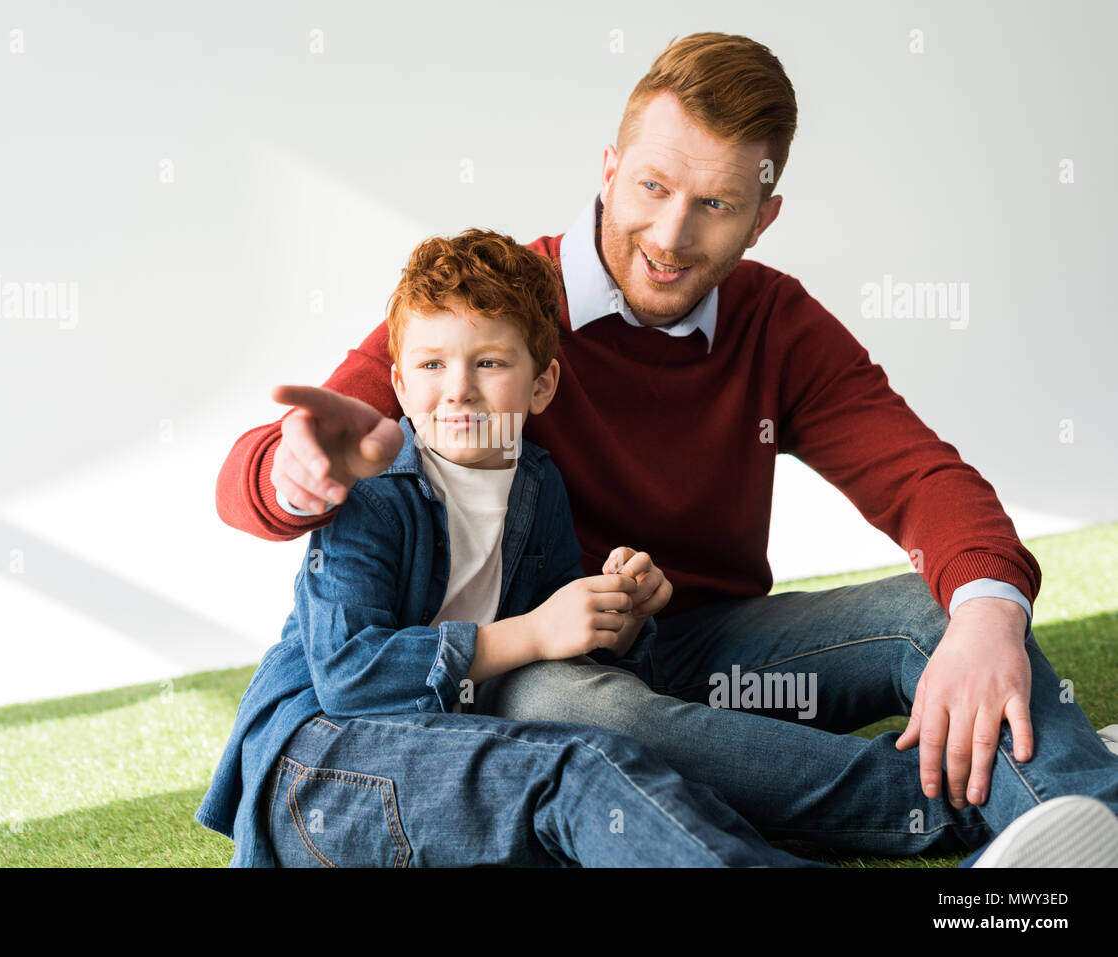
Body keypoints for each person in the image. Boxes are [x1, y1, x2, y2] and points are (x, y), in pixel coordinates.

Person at [211, 31, 1118, 865]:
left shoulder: (777, 322)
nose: (672, 236)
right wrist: (292, 474)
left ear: (763, 215)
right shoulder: (497, 314)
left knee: (949, 610)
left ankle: (1088, 816)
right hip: (546, 671)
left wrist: (991, 611)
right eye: (652, 187)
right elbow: (292, 455)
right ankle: (953, 807)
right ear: (608, 170)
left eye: (716, 203)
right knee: (569, 706)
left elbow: (920, 476)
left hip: (705, 651)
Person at [195, 229, 823, 866]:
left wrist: (617, 623)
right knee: (577, 772)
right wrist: (534, 634)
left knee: (603, 773)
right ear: (400, 386)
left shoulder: (538, 483)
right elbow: (350, 680)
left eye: (489, 363)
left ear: (543, 385)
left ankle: (913, 804)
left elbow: (561, 654)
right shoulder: (370, 498)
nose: (459, 389)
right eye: (432, 364)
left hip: (448, 744)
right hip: (325, 762)